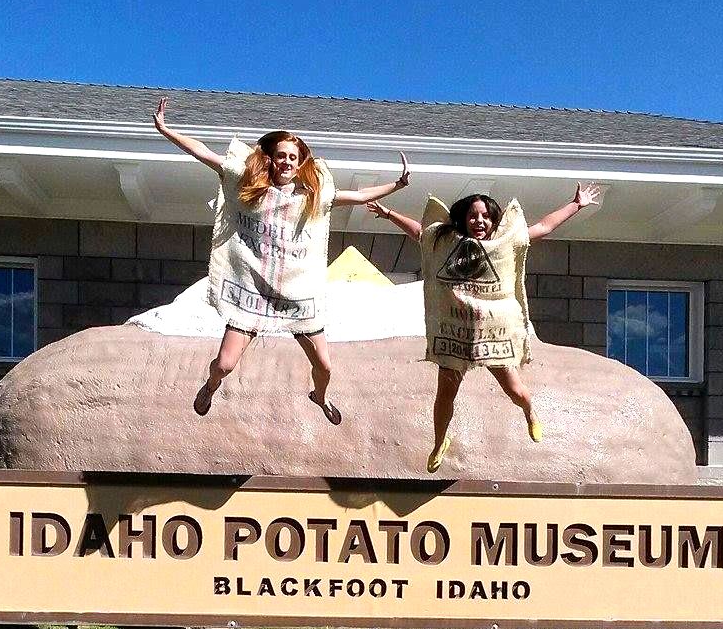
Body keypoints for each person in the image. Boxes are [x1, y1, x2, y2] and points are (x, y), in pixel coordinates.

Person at [153, 97, 410, 424]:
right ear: (271, 160)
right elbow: (206, 154)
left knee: (325, 365)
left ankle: (320, 396)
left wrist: (397, 185)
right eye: (281, 156)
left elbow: (357, 196)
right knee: (224, 364)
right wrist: (166, 130)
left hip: (295, 296)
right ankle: (211, 385)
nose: (287, 161)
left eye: (293, 157)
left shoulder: (311, 197)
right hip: (253, 291)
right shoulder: (247, 184)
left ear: (300, 163)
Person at [368, 181, 601, 472]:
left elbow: (543, 226)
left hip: (493, 335)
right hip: (455, 336)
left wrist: (576, 204)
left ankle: (530, 412)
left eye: (486, 216)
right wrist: (389, 213)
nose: (479, 221)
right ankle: (440, 441)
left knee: (515, 390)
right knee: (444, 396)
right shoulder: (447, 244)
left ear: (494, 221)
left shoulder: (505, 243)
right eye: (473, 215)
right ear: (464, 219)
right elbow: (420, 233)